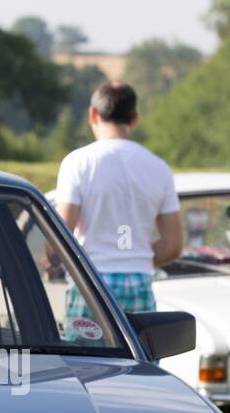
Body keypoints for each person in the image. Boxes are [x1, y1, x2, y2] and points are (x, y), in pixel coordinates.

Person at [53, 80, 182, 326]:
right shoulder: (159, 168)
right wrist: (137, 257)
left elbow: (61, 232)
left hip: (90, 283)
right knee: (141, 363)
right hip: (140, 282)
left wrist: (49, 259)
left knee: (85, 363)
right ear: (134, 119)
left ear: (93, 114)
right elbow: (173, 244)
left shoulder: (77, 162)